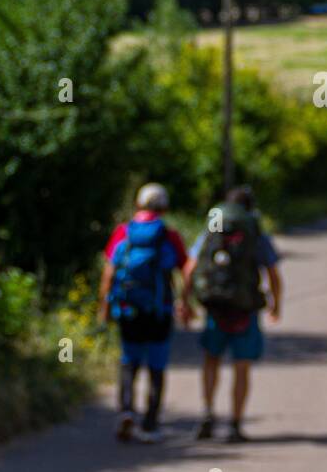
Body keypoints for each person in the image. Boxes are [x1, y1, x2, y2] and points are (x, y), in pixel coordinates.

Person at [183, 186, 281, 443]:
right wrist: (276, 304)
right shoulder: (255, 231)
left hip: (216, 306)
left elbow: (190, 267)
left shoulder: (213, 227)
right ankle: (235, 425)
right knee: (241, 366)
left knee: (211, 359)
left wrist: (186, 301)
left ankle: (207, 413)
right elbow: (273, 273)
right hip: (244, 308)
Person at [100, 183, 189, 443]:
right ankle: (151, 423)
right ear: (164, 207)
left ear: (138, 204)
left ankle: (126, 411)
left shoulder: (123, 233)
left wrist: (104, 308)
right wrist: (185, 302)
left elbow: (108, 272)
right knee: (157, 365)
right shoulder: (169, 236)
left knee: (129, 360)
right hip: (159, 311)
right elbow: (185, 269)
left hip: (129, 309)